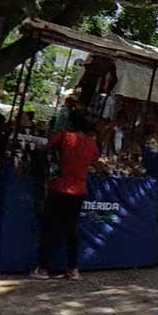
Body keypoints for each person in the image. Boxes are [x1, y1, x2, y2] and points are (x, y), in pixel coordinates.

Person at [31, 109, 99, 279]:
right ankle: (73, 269)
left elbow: (43, 147)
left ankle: (43, 269)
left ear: (70, 123)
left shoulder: (63, 136)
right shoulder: (91, 144)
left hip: (59, 187)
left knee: (50, 228)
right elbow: (94, 160)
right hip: (79, 190)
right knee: (72, 230)